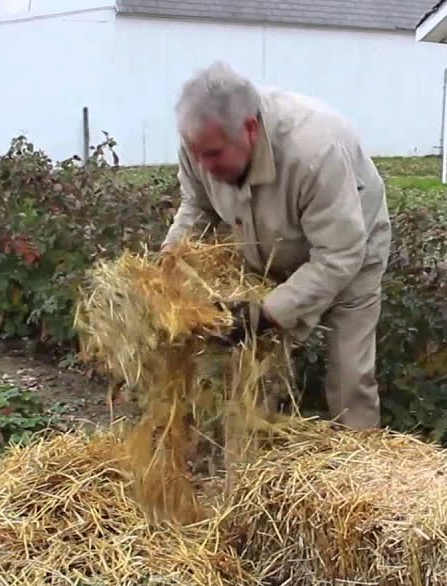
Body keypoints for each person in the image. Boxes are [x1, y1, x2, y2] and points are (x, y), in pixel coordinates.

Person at [160, 62, 391, 430]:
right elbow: (197, 207)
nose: (204, 166)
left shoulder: (314, 151)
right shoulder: (202, 139)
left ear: (250, 130)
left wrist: (265, 314)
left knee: (350, 374)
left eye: (214, 155)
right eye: (196, 154)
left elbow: (338, 255)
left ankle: (359, 460)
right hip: (265, 243)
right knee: (252, 365)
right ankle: (258, 455)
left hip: (349, 247)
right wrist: (166, 265)